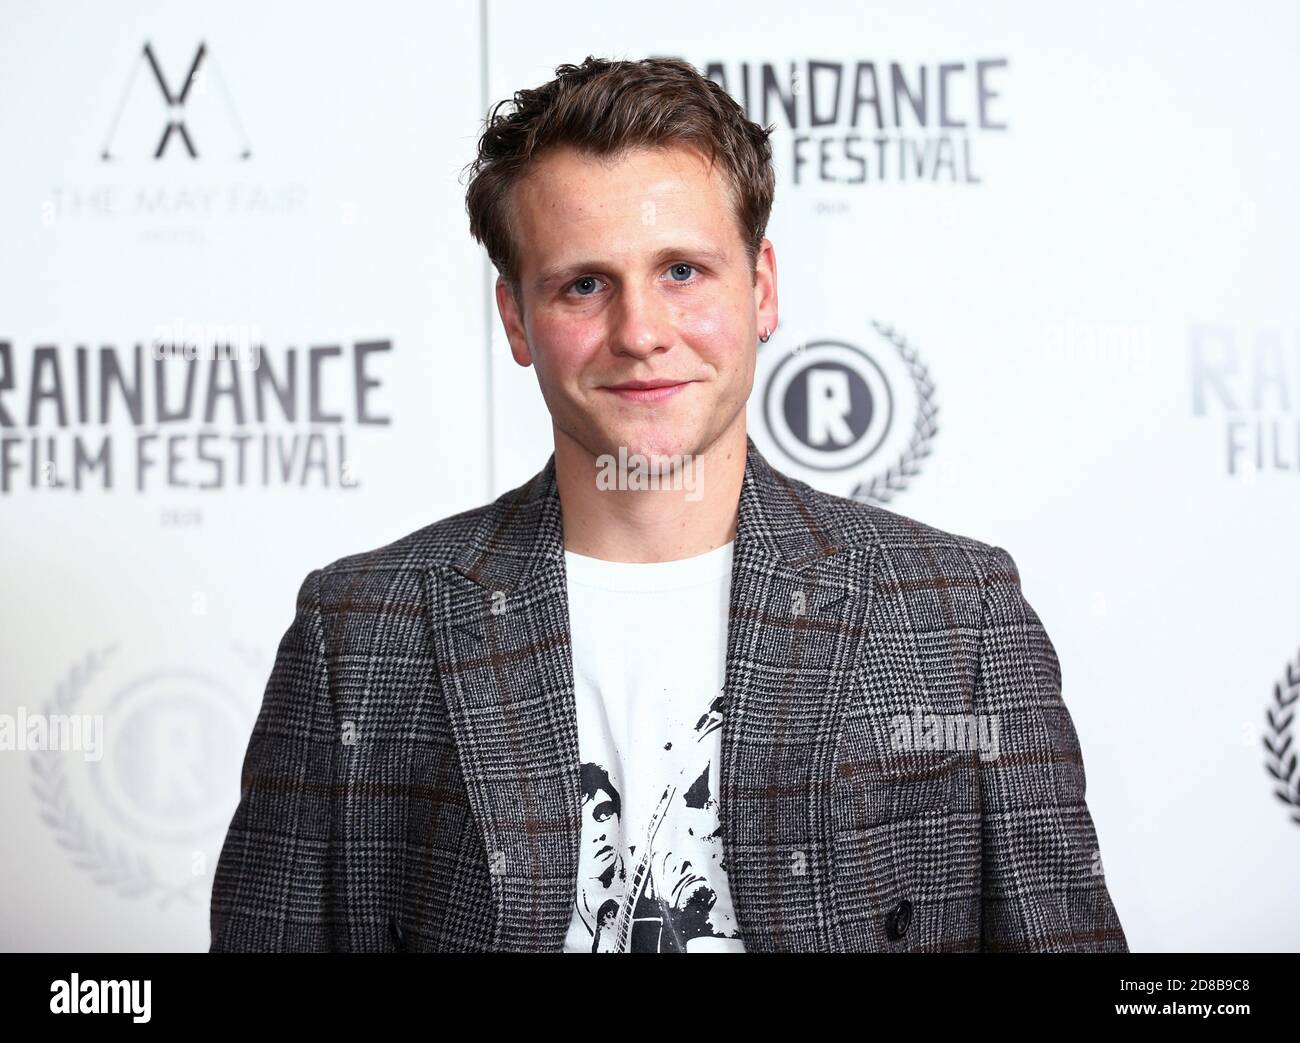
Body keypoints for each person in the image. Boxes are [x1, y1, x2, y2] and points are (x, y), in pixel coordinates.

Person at [209, 55, 1127, 953]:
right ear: (517, 321)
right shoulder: (359, 630)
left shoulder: (956, 614)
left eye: (682, 271)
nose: (641, 333)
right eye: (584, 284)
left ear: (762, 287)